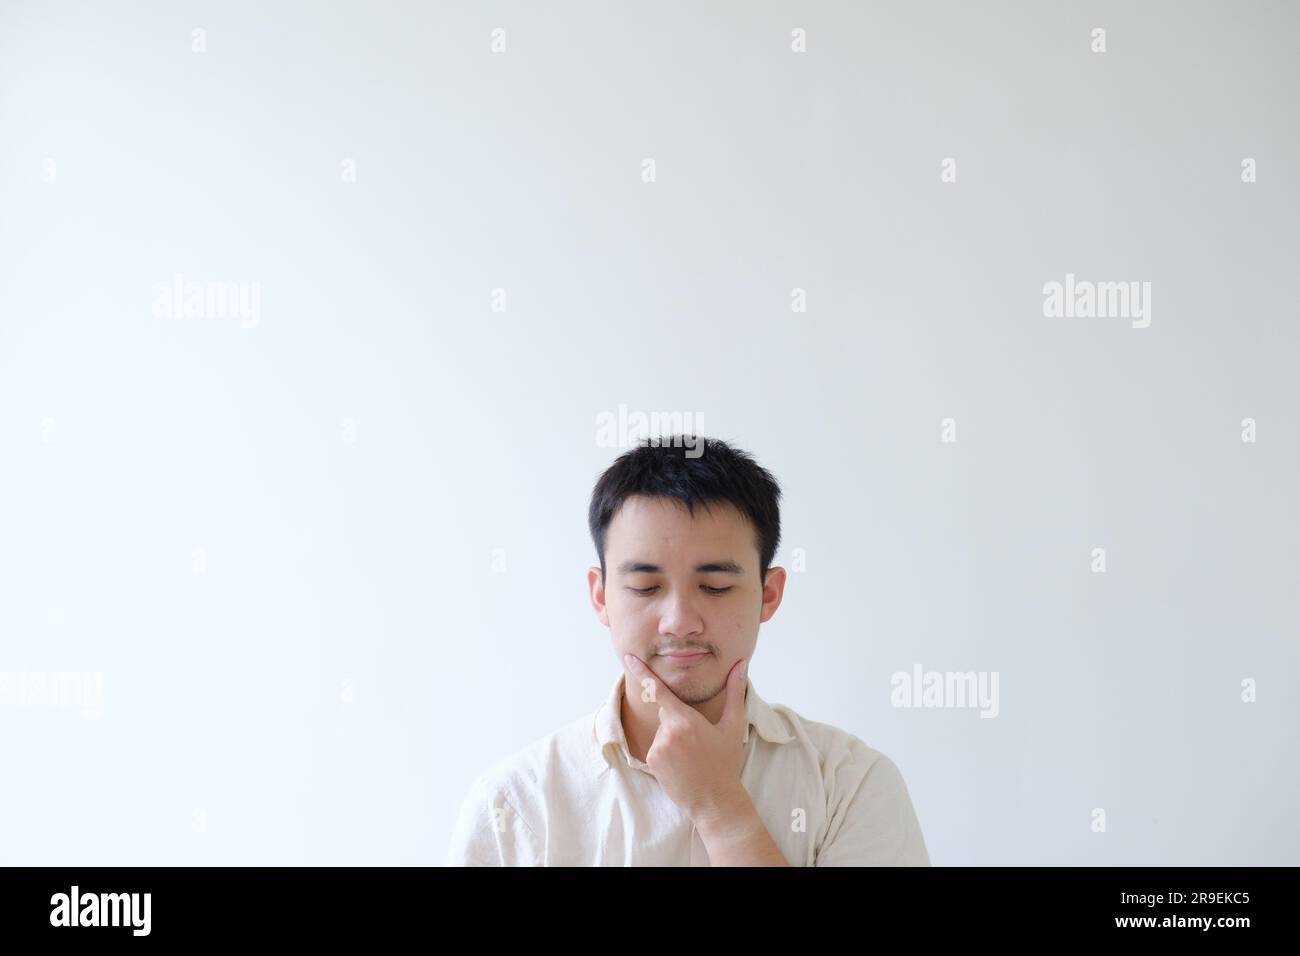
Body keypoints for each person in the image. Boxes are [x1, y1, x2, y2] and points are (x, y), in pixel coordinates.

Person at [446, 435, 930, 866]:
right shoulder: (514, 805)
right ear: (601, 596)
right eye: (644, 587)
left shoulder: (850, 785)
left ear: (768, 594)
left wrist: (720, 806)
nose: (679, 621)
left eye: (715, 586)